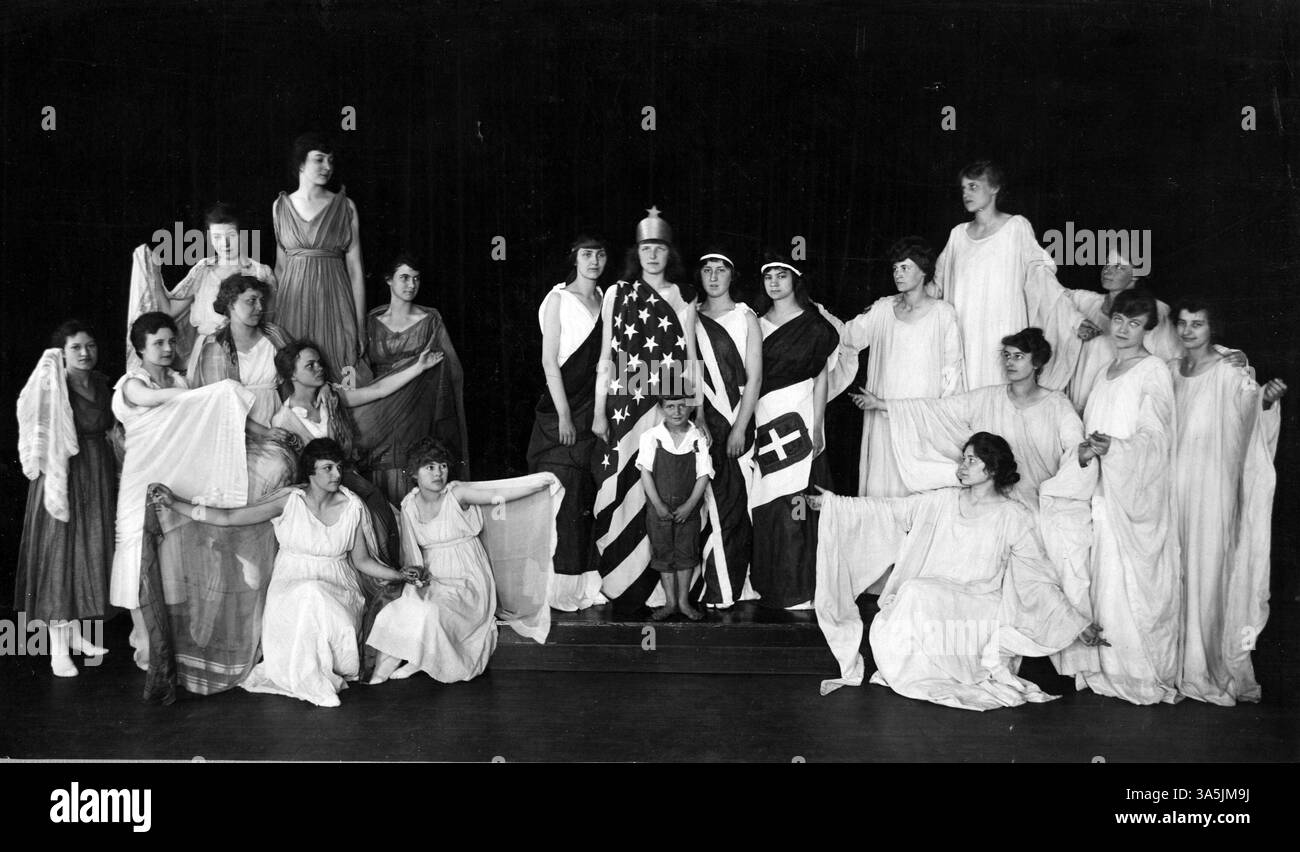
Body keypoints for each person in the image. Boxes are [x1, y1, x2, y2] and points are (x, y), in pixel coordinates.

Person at [811, 432, 1106, 711]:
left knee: (915, 591)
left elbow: (1037, 578)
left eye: (971, 460)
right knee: (912, 592)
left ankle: (938, 669)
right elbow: (889, 509)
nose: (962, 466)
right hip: (937, 594)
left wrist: (1074, 622)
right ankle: (915, 670)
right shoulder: (942, 501)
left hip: (980, 603)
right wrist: (835, 505)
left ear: (991, 470)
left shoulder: (1013, 516)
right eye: (963, 458)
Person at [149, 439, 411, 708]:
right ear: (310, 472)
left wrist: (400, 575)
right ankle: (311, 681)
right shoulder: (289, 500)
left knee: (315, 594)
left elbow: (363, 561)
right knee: (309, 594)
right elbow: (229, 518)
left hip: (338, 587)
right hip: (290, 584)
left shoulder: (352, 506)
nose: (337, 474)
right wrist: (176, 504)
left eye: (339, 467)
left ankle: (318, 676)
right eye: (328, 468)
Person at [111, 312, 257, 669]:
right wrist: (209, 393)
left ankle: (171, 643)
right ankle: (145, 642)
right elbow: (152, 399)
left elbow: (196, 420)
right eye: (157, 343)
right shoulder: (132, 382)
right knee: (137, 559)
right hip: (139, 483)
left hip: (177, 481)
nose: (166, 348)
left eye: (171, 341)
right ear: (141, 349)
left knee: (172, 562)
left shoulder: (179, 379)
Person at [1061, 288, 1182, 704]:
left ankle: (1138, 675)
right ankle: (1103, 670)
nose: (1124, 329)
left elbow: (1157, 436)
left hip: (1133, 495)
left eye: (1134, 323)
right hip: (1100, 492)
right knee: (1100, 576)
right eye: (1119, 320)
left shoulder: (1153, 371)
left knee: (1125, 579)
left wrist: (1117, 449)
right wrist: (1087, 450)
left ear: (1148, 328)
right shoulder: (1104, 370)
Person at [1169, 300, 1285, 704]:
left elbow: (1249, 416)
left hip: (1210, 489)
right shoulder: (1168, 370)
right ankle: (1172, 665)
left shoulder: (1230, 368)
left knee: (1207, 571)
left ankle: (1206, 666)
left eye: (1197, 324)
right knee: (1174, 571)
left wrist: (1266, 401)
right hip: (1171, 488)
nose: (1188, 331)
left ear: (1211, 328)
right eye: (1182, 324)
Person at [367, 439, 557, 683]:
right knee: (402, 606)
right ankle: (386, 664)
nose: (438, 473)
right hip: (433, 573)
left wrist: (535, 486)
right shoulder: (409, 505)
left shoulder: (457, 494)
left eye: (443, 466)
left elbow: (497, 495)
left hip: (467, 575)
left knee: (433, 611)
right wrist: (414, 577)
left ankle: (419, 659)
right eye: (430, 467)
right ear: (414, 473)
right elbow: (410, 551)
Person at [590, 208, 703, 611]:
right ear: (636, 252)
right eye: (645, 248)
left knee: (668, 486)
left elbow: (690, 358)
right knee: (629, 486)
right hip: (626, 396)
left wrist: (698, 411)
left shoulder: (683, 294)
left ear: (668, 252)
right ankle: (626, 580)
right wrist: (600, 410)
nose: (652, 255)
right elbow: (606, 354)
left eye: (658, 248)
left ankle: (669, 588)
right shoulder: (618, 293)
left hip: (669, 399)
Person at [271, 340, 444, 563]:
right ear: (292, 375)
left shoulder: (331, 398)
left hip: (350, 481)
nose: (319, 368)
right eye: (310, 365)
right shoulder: (282, 420)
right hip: (319, 499)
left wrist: (418, 367)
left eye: (319, 363)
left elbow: (377, 391)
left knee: (393, 524)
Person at [932, 160, 1089, 391]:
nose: (966, 193)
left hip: (1003, 333)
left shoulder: (1016, 227)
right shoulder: (957, 235)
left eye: (974, 186)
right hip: (965, 336)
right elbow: (937, 286)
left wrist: (1073, 318)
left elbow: (1041, 278)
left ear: (994, 188)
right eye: (963, 188)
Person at [15, 321, 116, 676]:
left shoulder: (103, 383)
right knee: (60, 552)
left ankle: (74, 632)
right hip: (63, 472)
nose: (85, 353)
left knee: (87, 552)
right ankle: (57, 648)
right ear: (62, 352)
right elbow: (32, 419)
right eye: (76, 348)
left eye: (90, 346)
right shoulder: (53, 385)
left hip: (96, 471)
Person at [748, 253, 845, 609]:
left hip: (800, 417)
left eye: (781, 275)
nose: (774, 282)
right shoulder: (754, 322)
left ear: (795, 280)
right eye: (768, 275)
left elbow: (821, 379)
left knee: (798, 502)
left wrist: (817, 425)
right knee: (766, 498)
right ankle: (769, 581)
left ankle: (801, 586)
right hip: (763, 416)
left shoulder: (814, 325)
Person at [839, 236, 964, 496]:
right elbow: (847, 338)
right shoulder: (883, 309)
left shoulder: (943, 313)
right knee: (883, 487)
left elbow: (952, 374)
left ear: (923, 272)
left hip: (922, 420)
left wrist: (939, 420)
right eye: (895, 268)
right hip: (882, 414)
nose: (898, 273)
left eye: (905, 267)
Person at [526, 235, 608, 610]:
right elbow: (549, 362)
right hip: (563, 409)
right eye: (587, 255)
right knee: (563, 493)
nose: (594, 261)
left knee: (589, 497)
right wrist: (562, 414)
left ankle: (587, 585)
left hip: (595, 406)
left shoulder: (606, 299)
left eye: (600, 254)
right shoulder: (558, 298)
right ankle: (558, 590)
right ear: (574, 259)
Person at [351, 253, 469, 505]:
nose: (411, 285)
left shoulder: (430, 320)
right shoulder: (370, 322)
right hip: (378, 410)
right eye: (404, 278)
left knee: (409, 460)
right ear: (388, 281)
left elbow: (448, 369)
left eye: (416, 279)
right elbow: (359, 368)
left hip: (416, 410)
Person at [1062, 252, 1245, 411]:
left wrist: (1225, 354)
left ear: (1136, 275)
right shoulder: (1084, 302)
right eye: (1107, 264)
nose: (1107, 270)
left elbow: (1183, 346)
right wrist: (1074, 319)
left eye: (1118, 266)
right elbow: (1046, 293)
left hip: (1123, 406)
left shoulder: (1156, 310)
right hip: (1079, 402)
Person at [126, 203, 276, 375]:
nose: (224, 243)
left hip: (249, 353)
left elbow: (270, 320)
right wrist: (154, 275)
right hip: (207, 353)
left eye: (231, 236)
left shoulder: (260, 272)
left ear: (243, 235)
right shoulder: (203, 270)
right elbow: (169, 311)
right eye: (217, 237)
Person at [693, 247, 762, 607]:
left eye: (721, 270)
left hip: (736, 417)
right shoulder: (691, 314)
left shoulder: (744, 316)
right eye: (708, 270)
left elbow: (754, 378)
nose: (714, 277)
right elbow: (689, 371)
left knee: (733, 504)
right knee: (702, 504)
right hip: (701, 421)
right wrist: (699, 415)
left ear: (732, 276)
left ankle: (726, 588)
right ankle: (703, 584)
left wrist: (739, 427)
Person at [190, 275, 298, 499]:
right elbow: (221, 406)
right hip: (238, 430)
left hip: (281, 418)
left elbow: (299, 376)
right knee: (274, 467)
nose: (260, 307)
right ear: (231, 304)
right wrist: (265, 433)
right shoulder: (215, 345)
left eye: (261, 300)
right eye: (251, 301)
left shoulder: (275, 336)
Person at [273, 132, 366, 381]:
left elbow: (356, 270)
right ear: (300, 164)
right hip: (292, 306)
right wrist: (272, 323)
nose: (327, 167)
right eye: (319, 159)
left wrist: (360, 325)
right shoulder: (280, 206)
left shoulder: (346, 206)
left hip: (335, 302)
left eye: (331, 161)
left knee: (340, 373)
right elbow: (280, 269)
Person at [636, 393, 713, 621]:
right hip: (658, 509)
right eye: (670, 406)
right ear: (661, 409)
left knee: (686, 552)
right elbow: (645, 473)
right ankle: (669, 603)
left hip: (687, 509)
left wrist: (690, 506)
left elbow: (704, 474)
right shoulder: (651, 437)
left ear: (690, 408)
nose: (677, 412)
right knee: (663, 552)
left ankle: (683, 602)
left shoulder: (698, 437)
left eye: (682, 406)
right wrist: (658, 505)